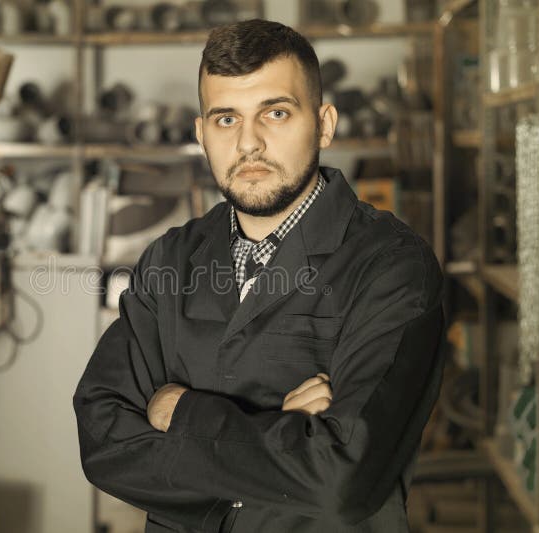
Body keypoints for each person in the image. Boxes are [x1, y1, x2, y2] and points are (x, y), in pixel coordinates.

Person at [73, 19, 446, 533]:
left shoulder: (392, 268)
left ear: (324, 123)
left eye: (275, 113)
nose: (249, 143)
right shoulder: (169, 261)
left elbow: (343, 482)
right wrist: (283, 434)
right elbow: (103, 441)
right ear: (202, 133)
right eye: (226, 119)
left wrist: (180, 414)